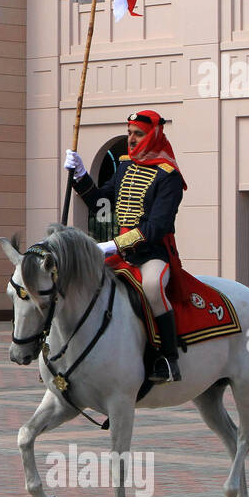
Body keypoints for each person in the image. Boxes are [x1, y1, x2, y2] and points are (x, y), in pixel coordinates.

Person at [64, 110, 187, 383]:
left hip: (152, 253)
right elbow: (101, 205)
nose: (131, 139)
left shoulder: (169, 176)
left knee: (153, 287)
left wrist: (112, 245)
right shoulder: (124, 166)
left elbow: (157, 227)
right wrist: (81, 176)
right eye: (130, 133)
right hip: (121, 253)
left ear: (154, 135)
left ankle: (168, 359)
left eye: (138, 134)